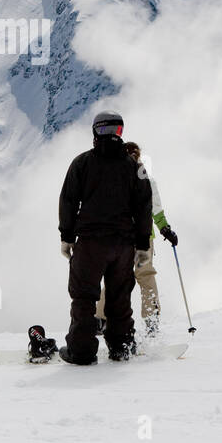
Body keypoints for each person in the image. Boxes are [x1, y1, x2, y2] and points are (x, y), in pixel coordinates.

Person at [58, 111, 152, 364]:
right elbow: (144, 206)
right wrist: (143, 245)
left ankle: (82, 351)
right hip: (123, 244)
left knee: (84, 296)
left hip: (90, 243)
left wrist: (66, 237)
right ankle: (121, 347)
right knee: (120, 297)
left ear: (94, 132)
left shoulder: (82, 163)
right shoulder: (135, 167)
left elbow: (68, 200)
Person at [94, 142, 177, 339]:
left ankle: (100, 318)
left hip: (121, 239)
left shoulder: (115, 178)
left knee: (116, 277)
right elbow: (155, 208)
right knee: (145, 276)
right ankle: (151, 321)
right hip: (142, 238)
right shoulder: (145, 177)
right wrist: (165, 229)